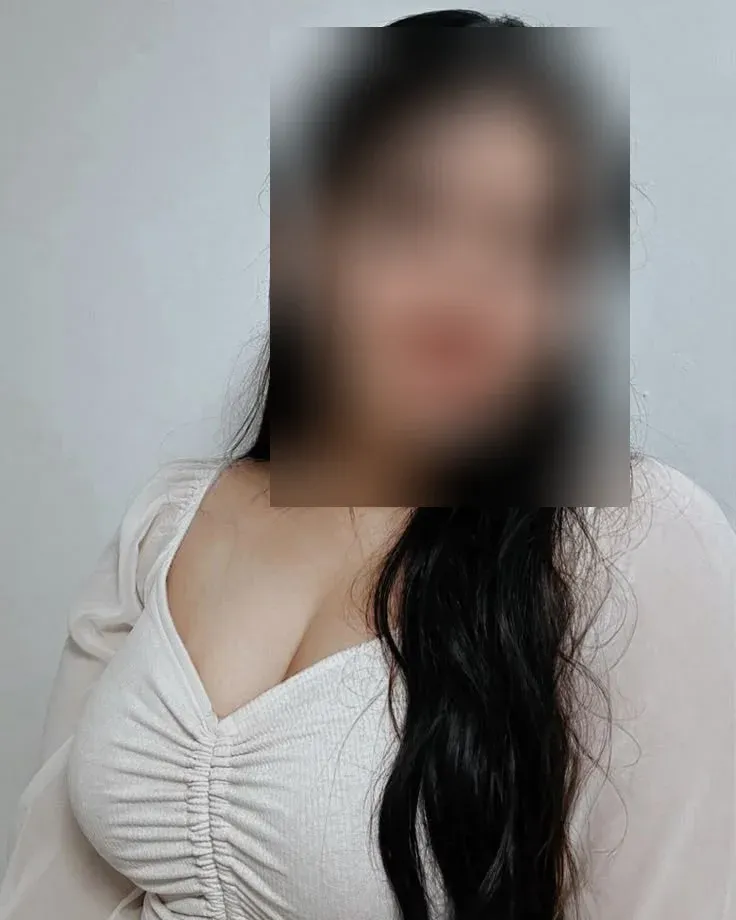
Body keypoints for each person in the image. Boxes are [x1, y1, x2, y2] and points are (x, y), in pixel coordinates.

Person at [1, 11, 734, 920]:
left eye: (530, 234)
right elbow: (47, 888)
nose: (467, 274)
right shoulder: (172, 519)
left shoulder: (639, 540)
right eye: (411, 213)